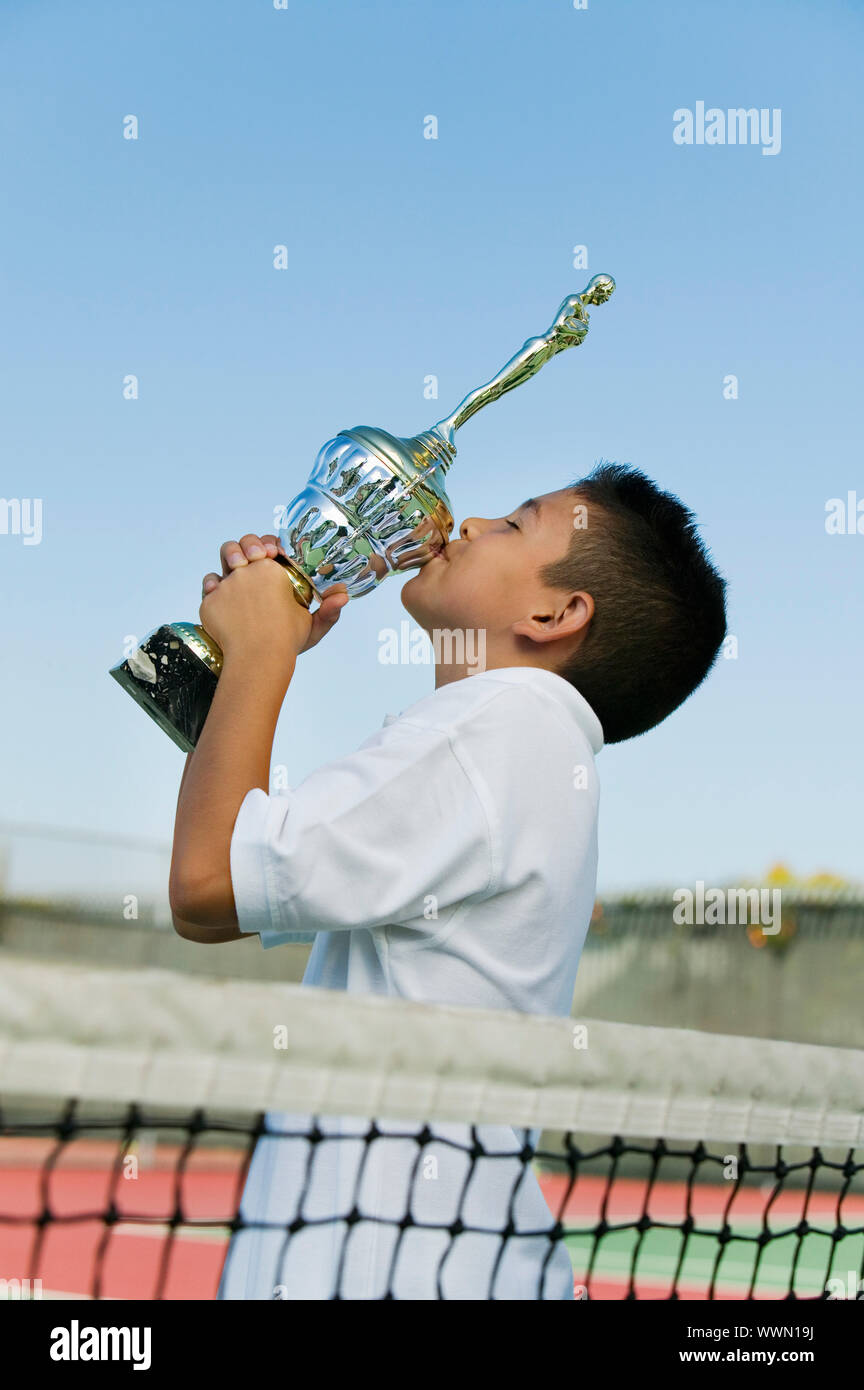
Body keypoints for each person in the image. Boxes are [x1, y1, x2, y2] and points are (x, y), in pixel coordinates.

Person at [169, 462, 727, 1299]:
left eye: (511, 523)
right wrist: (242, 660)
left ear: (556, 614)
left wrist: (261, 653)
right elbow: (229, 881)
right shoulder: (518, 747)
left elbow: (207, 884)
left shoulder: (505, 727)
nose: (465, 524)